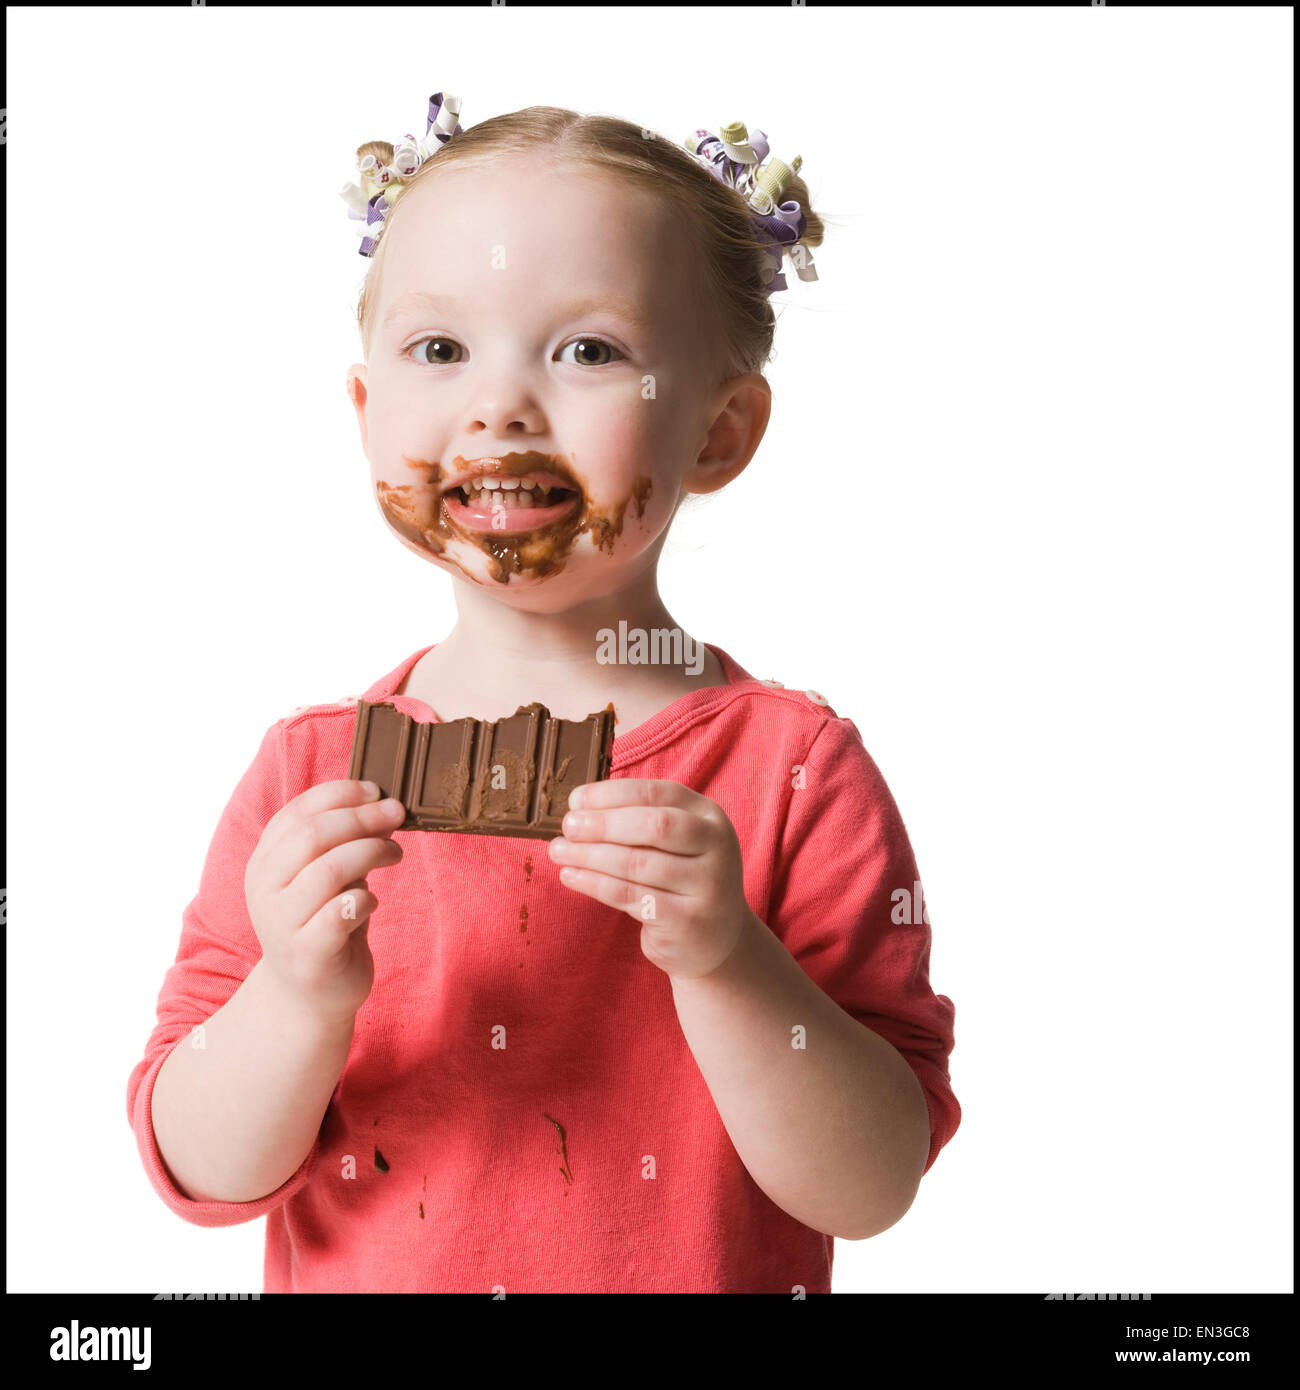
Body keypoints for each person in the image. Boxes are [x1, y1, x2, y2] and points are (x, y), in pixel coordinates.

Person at [127, 91, 960, 1293]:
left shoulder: (793, 771)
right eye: (439, 349)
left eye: (588, 350)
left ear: (721, 432)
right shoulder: (311, 774)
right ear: (368, 416)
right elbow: (196, 1168)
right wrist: (296, 993)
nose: (499, 405)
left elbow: (871, 1182)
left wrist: (730, 963)